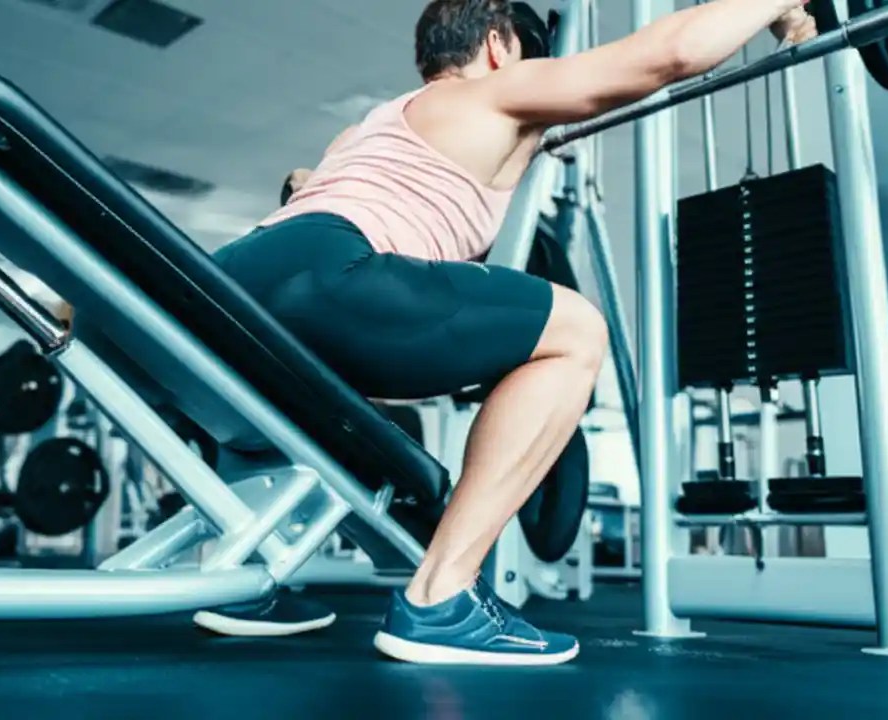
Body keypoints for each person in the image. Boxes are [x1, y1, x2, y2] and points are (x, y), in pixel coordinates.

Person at [196, 0, 817, 665]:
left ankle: (241, 572)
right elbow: (671, 53)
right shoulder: (495, 87)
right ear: (497, 46)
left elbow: (303, 187)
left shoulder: (366, 129)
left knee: (267, 404)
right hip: (332, 267)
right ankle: (442, 597)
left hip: (227, 278)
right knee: (576, 331)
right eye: (534, 58)